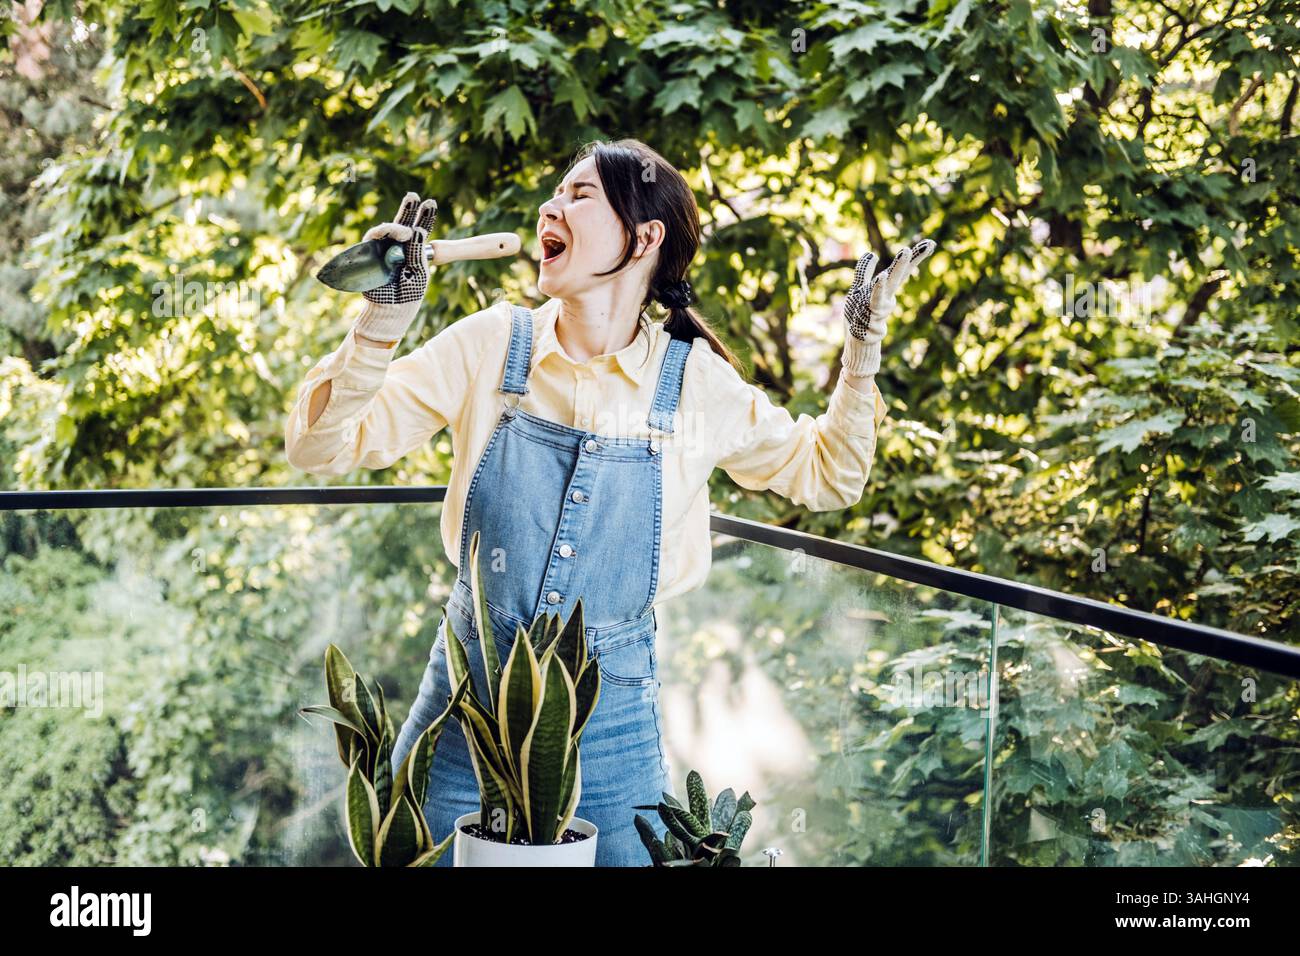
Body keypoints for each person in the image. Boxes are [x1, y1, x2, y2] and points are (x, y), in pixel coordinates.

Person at [284, 138, 934, 866]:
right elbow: (320, 449)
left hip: (612, 722)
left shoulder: (694, 386)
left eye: (579, 194)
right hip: (462, 706)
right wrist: (380, 325)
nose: (548, 208)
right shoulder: (494, 344)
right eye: (555, 194)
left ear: (644, 238)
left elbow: (829, 477)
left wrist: (862, 348)